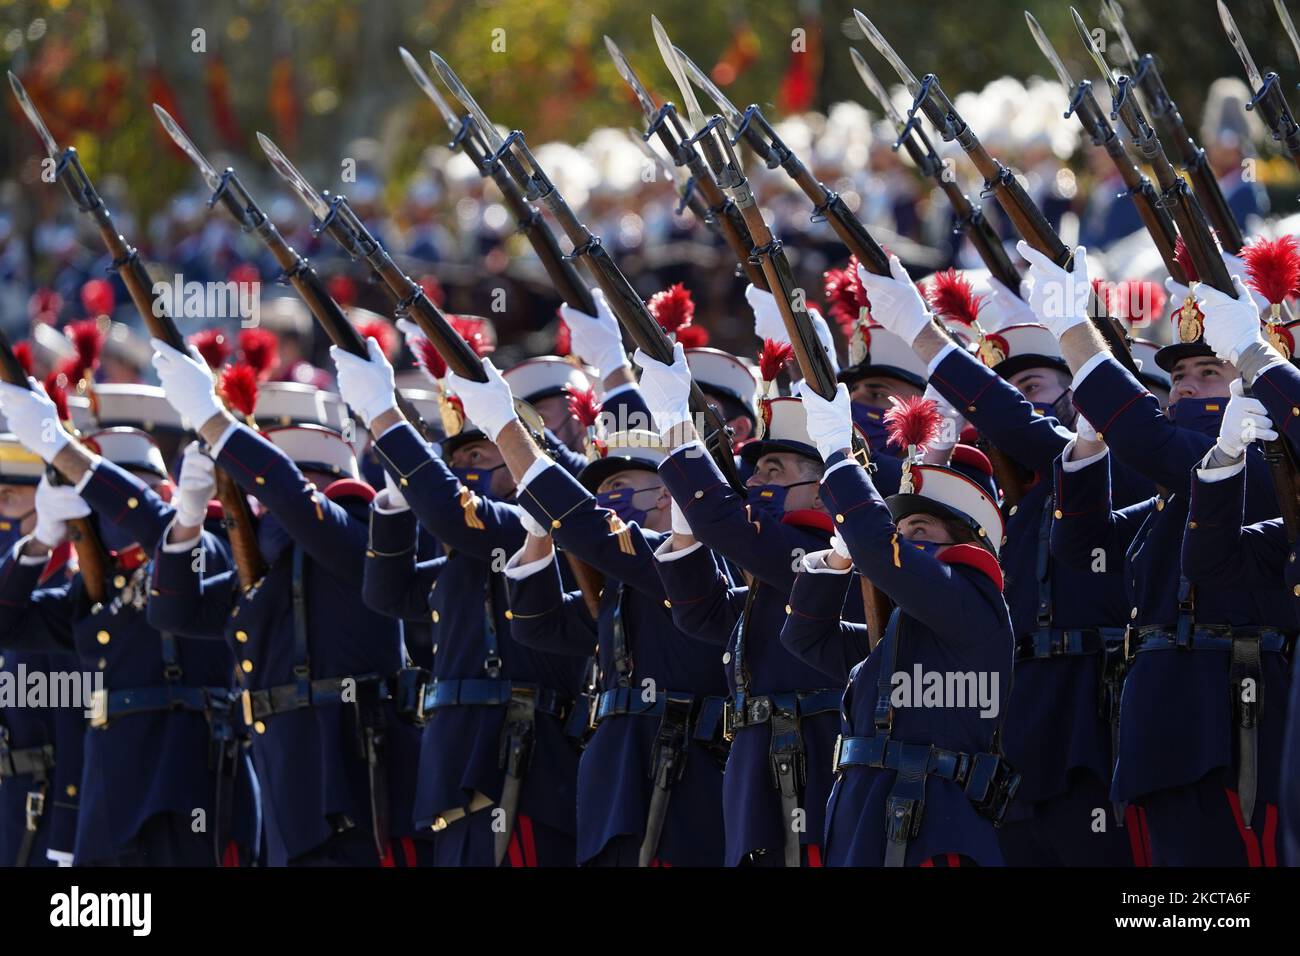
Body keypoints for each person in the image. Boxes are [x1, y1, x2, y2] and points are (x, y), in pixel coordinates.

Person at [859, 257, 1152, 865]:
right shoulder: (996, 515)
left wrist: (925, 337)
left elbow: (1013, 422)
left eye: (1037, 386)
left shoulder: (1106, 461)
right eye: (1013, 391)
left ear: (1076, 392)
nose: (1025, 407)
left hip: (1089, 717)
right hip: (1012, 727)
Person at [1028, 241, 1293, 865]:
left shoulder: (1270, 467)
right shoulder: (1178, 492)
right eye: (1178, 377)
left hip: (1236, 729)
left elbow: (1147, 439)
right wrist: (1089, 449)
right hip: (1160, 731)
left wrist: (1073, 331)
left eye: (1211, 373)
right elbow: (1083, 543)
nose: (1187, 390)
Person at [146, 340, 428, 867]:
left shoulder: (359, 532)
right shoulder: (266, 578)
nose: (266, 504)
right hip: (288, 798)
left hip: (362, 790)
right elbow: (171, 613)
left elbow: (297, 506)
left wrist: (215, 423)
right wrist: (186, 516)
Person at [0, 382, 259, 866]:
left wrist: (81, 470)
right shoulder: (91, 590)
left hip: (188, 787)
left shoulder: (207, 548)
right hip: (108, 801)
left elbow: (162, 540)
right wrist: (41, 540)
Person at [637, 342, 851, 867]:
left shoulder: (819, 554)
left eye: (774, 470)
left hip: (812, 766)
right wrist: (686, 527)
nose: (755, 481)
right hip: (761, 771)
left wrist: (673, 426)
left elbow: (726, 524)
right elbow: (703, 613)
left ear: (823, 491)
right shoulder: (777, 568)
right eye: (755, 470)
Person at [785, 382, 1014, 865]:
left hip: (927, 832)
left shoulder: (973, 603)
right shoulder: (900, 636)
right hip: (867, 825)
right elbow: (807, 637)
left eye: (920, 532)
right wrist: (839, 557)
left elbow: (882, 548)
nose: (905, 543)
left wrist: (836, 454)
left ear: (966, 545)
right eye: (901, 533)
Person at [0, 434, 83, 867]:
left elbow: (72, 719)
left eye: (10, 496)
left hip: (43, 806)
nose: (2, 508)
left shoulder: (66, 586)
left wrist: (67, 829)